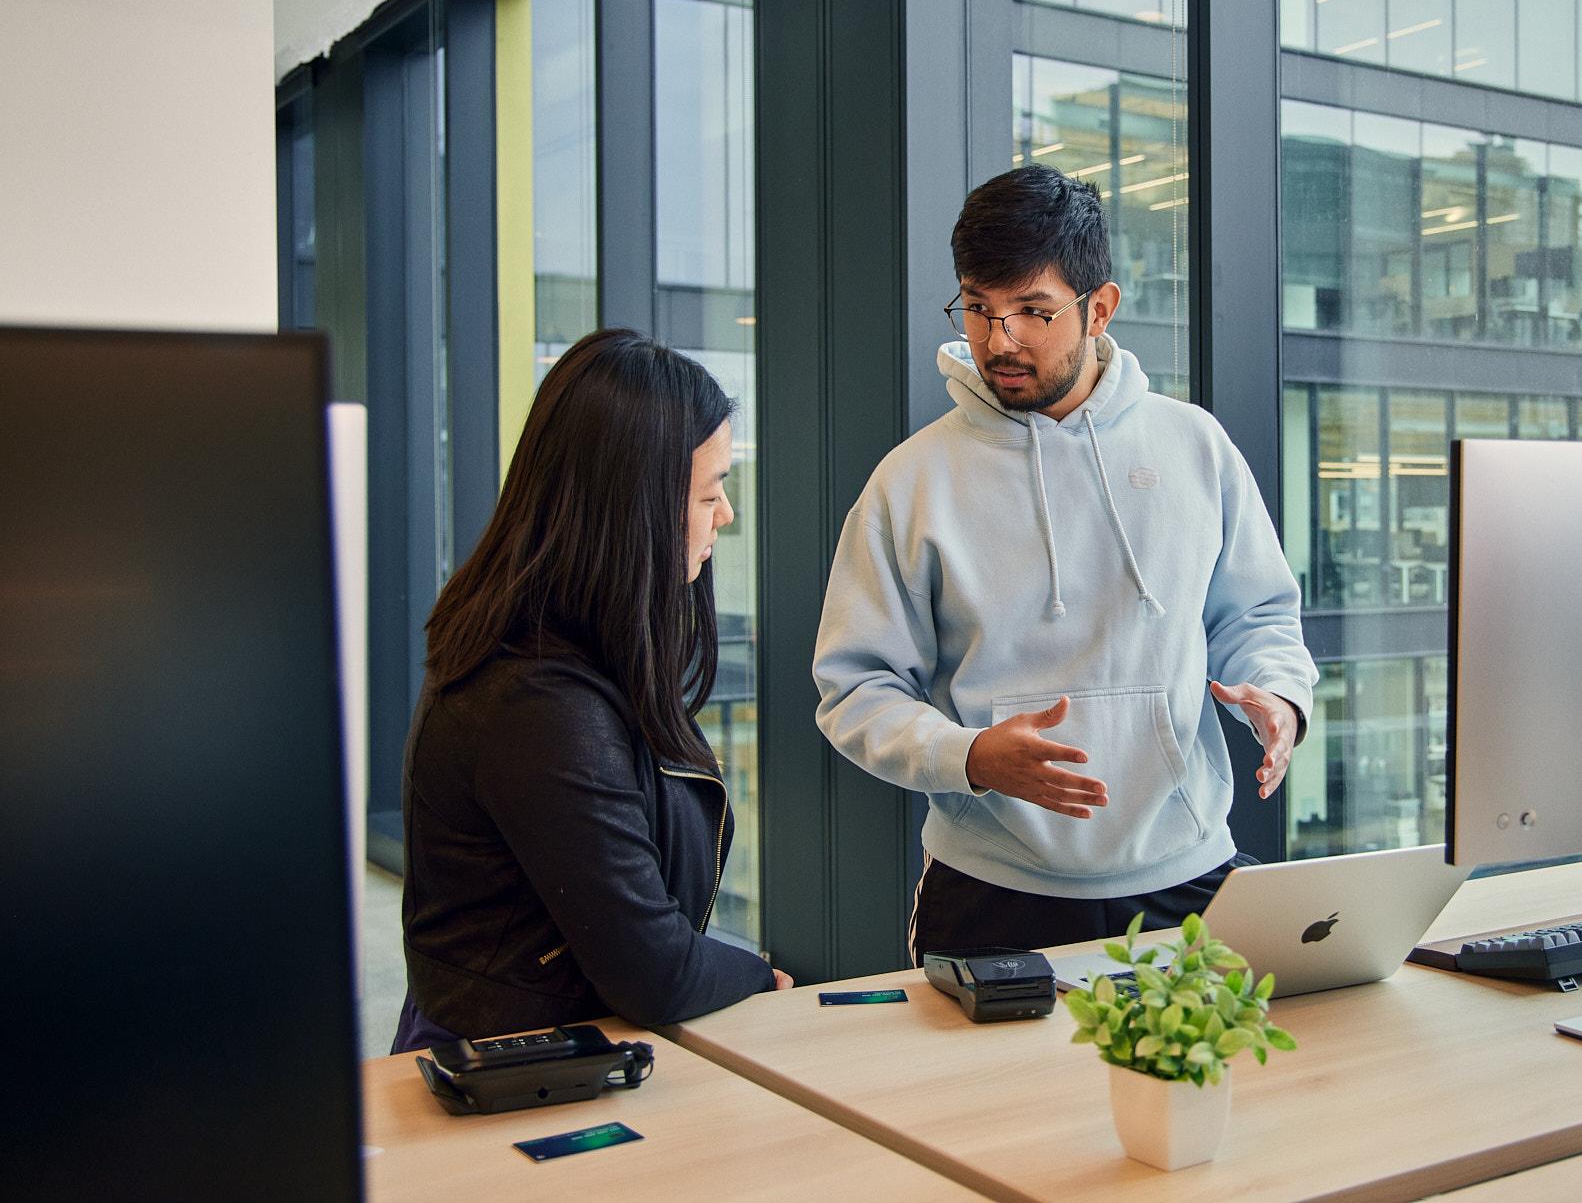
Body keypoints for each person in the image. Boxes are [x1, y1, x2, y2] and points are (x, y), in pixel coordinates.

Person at [814, 164, 1318, 960]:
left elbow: (1257, 617)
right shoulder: (910, 481)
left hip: (1188, 874)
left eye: (1032, 313)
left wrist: (1282, 698)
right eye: (978, 309)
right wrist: (968, 756)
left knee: (1198, 1089)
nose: (998, 341)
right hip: (991, 890)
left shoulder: (1194, 447)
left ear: (1100, 307)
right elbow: (855, 688)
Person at [393, 328, 788, 1052]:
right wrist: (760, 978)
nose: (725, 516)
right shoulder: (538, 706)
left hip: (549, 1048)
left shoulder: (569, 648)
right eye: (710, 493)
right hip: (519, 1069)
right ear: (631, 509)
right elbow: (656, 971)